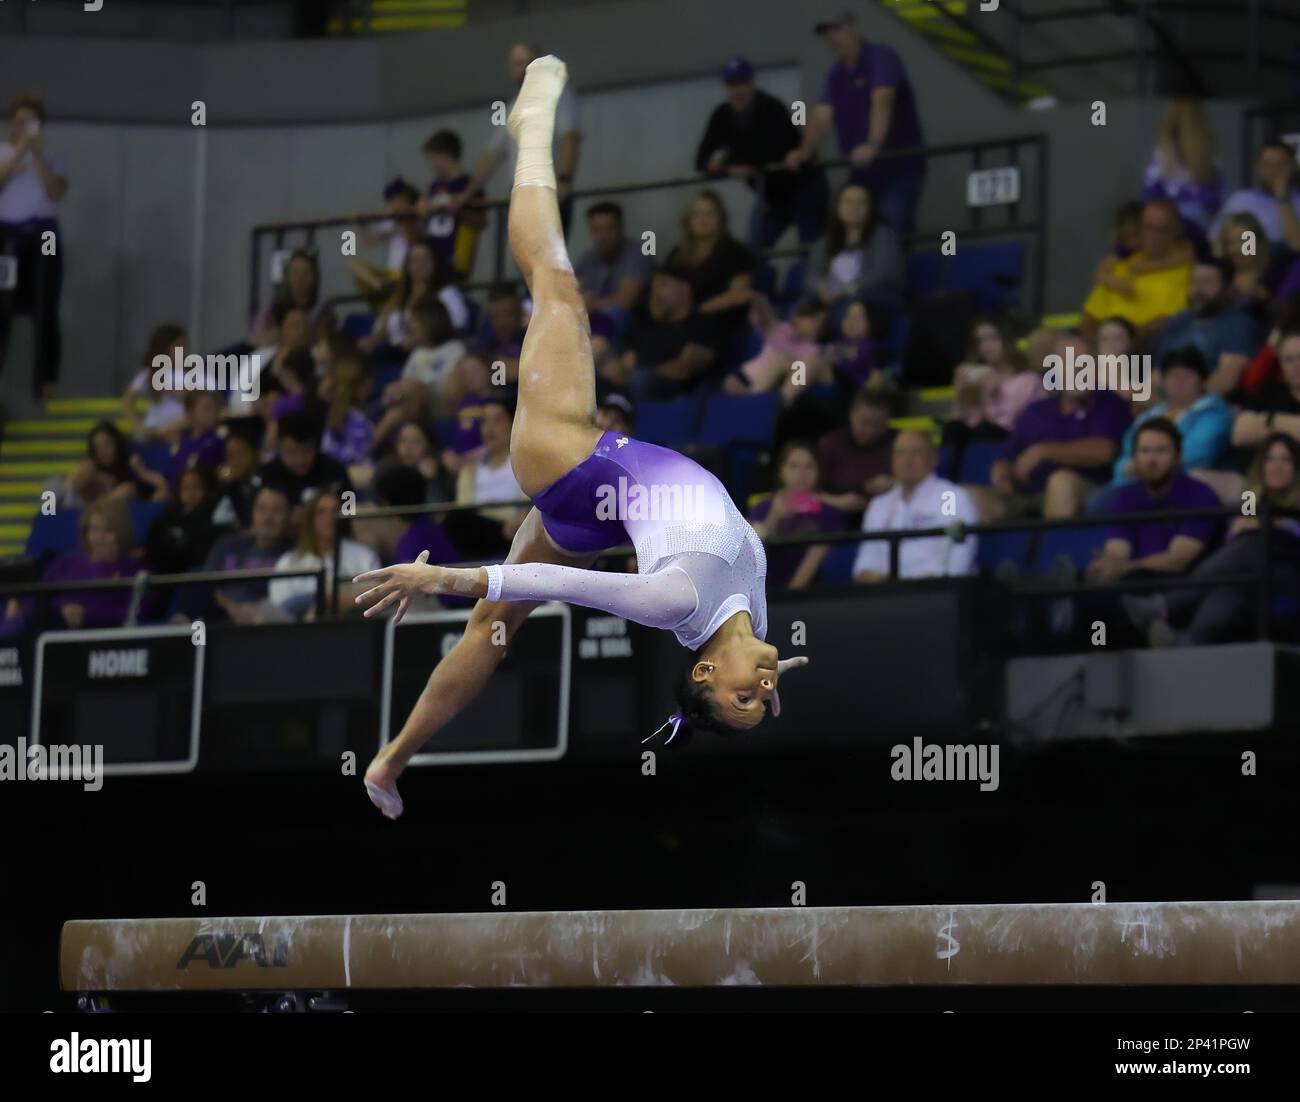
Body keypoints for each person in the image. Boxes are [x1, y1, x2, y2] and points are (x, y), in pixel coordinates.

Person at [355, 57, 808, 818]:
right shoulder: (753, 626)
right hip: (595, 512)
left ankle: (531, 133)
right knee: (492, 634)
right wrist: (757, 671)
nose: (762, 689)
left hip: (567, 461)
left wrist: (445, 577)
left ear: (701, 674)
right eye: (765, 700)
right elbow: (747, 660)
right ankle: (389, 763)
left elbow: (556, 584)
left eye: (741, 696)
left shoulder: (676, 600)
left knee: (557, 286)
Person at [1125, 434, 1300, 646]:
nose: (1276, 466)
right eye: (1270, 459)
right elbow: (1235, 534)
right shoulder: (1251, 496)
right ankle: (1190, 640)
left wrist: (1272, 526)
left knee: (1249, 548)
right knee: (1234, 582)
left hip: (1290, 570)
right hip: (1254, 567)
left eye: (1285, 460)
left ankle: (1165, 606)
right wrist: (1251, 527)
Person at [788, 10, 926, 235]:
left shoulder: (881, 57)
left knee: (890, 227)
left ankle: (892, 266)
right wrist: (803, 151)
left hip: (900, 170)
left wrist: (873, 144)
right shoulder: (836, 75)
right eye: (827, 32)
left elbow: (882, 98)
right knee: (839, 230)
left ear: (856, 29)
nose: (832, 37)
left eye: (837, 28)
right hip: (862, 173)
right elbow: (821, 114)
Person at [694, 55, 828, 248]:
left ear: (751, 83)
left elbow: (773, 151)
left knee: (810, 250)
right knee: (753, 254)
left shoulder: (772, 107)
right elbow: (700, 161)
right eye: (732, 84)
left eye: (742, 83)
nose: (737, 90)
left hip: (803, 188)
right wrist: (721, 166)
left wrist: (730, 160)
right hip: (770, 197)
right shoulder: (721, 115)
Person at [452, 42, 582, 234]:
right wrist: (467, 194)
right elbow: (493, 154)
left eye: (527, 63)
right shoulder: (514, 105)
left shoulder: (558, 93)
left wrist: (565, 179)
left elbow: (569, 136)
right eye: (517, 64)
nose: (523, 70)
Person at [1085, 418, 1219, 587]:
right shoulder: (1127, 496)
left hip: (1179, 589)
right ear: (1134, 458)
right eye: (1144, 451)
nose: (1151, 460)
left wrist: (1125, 568)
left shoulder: (1200, 495)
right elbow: (1118, 549)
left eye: (1161, 451)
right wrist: (1107, 566)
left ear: (1179, 456)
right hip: (1131, 586)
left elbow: (1177, 561)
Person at [0, 92, 69, 401]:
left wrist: (37, 155)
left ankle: (45, 382)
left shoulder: (51, 157)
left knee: (47, 308)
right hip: (7, 236)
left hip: (45, 235)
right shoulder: (2, 152)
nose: (26, 127)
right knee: (3, 307)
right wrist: (18, 153)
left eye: (32, 122)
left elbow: (56, 192)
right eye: (20, 122)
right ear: (11, 125)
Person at [2, 497, 141, 634]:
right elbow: (39, 596)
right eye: (94, 530)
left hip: (96, 635)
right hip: (47, 627)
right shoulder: (65, 564)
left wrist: (86, 615)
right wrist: (21, 606)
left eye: (107, 531)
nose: (99, 537)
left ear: (121, 533)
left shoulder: (133, 570)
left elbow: (138, 610)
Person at [852, 430, 977, 582]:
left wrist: (942, 584)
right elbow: (866, 561)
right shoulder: (879, 505)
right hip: (885, 594)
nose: (907, 459)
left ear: (934, 458)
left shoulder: (948, 497)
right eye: (900, 453)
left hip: (936, 593)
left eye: (916, 452)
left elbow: (958, 555)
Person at [170, 483, 295, 625]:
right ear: (253, 513)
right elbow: (207, 585)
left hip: (263, 622)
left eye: (277, 510)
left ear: (289, 516)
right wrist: (231, 607)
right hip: (218, 616)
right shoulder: (227, 545)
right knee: (192, 580)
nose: (268, 517)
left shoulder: (296, 555)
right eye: (262, 509)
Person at [1110, 345, 1233, 488]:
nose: (1180, 381)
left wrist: (1140, 466)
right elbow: (1125, 456)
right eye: (1173, 375)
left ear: (1202, 380)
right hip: (1136, 486)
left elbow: (1196, 455)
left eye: (1187, 375)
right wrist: (1125, 469)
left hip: (1189, 486)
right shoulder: (1149, 416)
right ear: (1163, 381)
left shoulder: (1215, 413)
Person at [1081, 199, 1193, 345]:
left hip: (1154, 349)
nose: (1154, 236)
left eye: (1162, 230)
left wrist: (1133, 337)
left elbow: (1173, 322)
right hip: (1109, 350)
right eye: (1148, 228)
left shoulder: (1189, 268)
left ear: (1175, 232)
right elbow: (1089, 321)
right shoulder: (1118, 265)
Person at [664, 190, 757, 361]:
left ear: (721, 218)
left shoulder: (736, 251)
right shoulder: (677, 255)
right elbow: (663, 290)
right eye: (697, 214)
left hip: (719, 324)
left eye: (710, 213)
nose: (703, 219)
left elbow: (739, 295)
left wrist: (698, 311)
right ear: (688, 221)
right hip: (678, 323)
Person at [807, 181, 905, 334]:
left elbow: (885, 272)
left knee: (853, 310)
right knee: (801, 309)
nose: (854, 207)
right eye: (848, 202)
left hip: (869, 300)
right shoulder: (825, 241)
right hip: (831, 300)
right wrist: (822, 288)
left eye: (861, 202)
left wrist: (846, 289)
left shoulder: (883, 235)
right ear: (837, 207)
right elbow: (813, 275)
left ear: (870, 208)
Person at [1153, 258, 1262, 394]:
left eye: (1207, 282)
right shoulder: (1179, 320)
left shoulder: (1240, 324)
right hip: (1165, 403)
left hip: (1205, 404)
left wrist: (1184, 402)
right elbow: (1157, 373)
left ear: (1227, 289)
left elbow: (1226, 380)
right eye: (1194, 282)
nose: (1198, 289)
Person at [269, 487, 380, 620]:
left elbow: (377, 596)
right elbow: (280, 608)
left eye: (335, 511)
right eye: (321, 512)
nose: (330, 518)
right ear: (310, 519)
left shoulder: (364, 557)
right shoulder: (289, 562)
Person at [747, 442, 840, 590]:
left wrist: (787, 601)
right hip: (761, 592)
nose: (801, 474)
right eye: (794, 466)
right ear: (782, 471)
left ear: (818, 472)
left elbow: (812, 562)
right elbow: (749, 559)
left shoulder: (829, 513)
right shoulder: (762, 508)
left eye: (809, 466)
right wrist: (773, 518)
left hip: (805, 595)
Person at [1141, 98, 1224, 249]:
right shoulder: (1161, 156)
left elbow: (1215, 202)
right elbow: (1150, 198)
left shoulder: (1208, 159)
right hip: (1166, 226)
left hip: (1198, 231)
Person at [573, 201, 652, 343]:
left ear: (621, 228)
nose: (603, 236)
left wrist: (592, 304)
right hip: (589, 319)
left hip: (629, 326)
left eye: (609, 229)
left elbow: (625, 300)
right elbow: (573, 291)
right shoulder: (588, 257)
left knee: (615, 313)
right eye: (597, 230)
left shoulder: (638, 254)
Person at [1207, 141, 1300, 256]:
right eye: (1268, 165)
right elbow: (1215, 240)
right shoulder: (1242, 199)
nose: (1274, 172)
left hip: (1286, 264)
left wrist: (1282, 197)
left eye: (1281, 165)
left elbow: (1297, 245)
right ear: (1258, 169)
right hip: (1244, 260)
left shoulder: (1297, 200)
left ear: (1293, 167)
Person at [816, 387, 895, 514]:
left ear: (887, 420)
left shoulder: (898, 443)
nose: (870, 431)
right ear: (851, 415)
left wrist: (895, 484)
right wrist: (837, 502)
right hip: (834, 516)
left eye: (877, 425)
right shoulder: (831, 444)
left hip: (887, 515)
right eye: (864, 423)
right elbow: (806, 493)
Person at [418, 129, 482, 278]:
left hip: (456, 255)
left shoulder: (467, 186)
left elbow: (480, 220)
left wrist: (455, 210)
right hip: (432, 255)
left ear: (445, 154)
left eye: (432, 158)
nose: (431, 164)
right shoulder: (434, 186)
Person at [256, 409, 352, 507]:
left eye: (306, 451)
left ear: (316, 448)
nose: (300, 460)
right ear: (279, 448)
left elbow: (350, 511)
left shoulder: (335, 472)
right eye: (292, 452)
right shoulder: (266, 477)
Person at [121, 323, 188, 443]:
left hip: (180, 428)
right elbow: (128, 398)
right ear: (165, 347)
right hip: (154, 427)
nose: (182, 349)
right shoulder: (151, 373)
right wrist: (137, 425)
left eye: (184, 345)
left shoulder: (193, 373)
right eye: (178, 345)